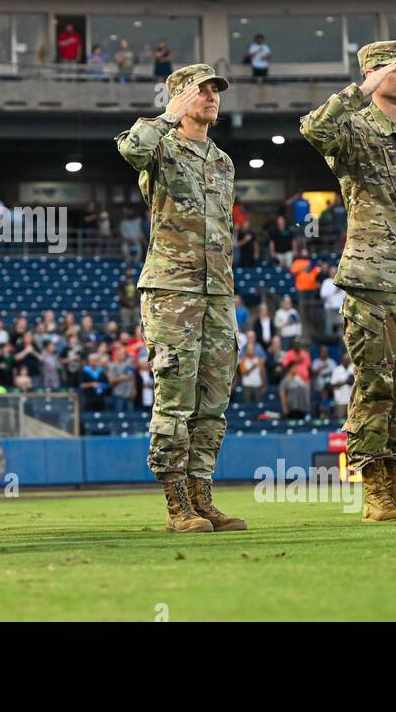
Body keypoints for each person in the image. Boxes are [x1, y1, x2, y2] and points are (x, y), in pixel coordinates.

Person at [300, 40, 396, 522]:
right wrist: (358, 90)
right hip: (373, 277)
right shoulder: (353, 128)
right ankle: (375, 492)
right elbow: (313, 128)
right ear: (372, 73)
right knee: (375, 383)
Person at [116, 63, 245, 534]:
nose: (212, 97)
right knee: (176, 397)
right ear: (178, 97)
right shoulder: (160, 146)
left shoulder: (223, 161)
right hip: (172, 290)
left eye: (216, 90)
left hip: (217, 292)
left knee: (213, 400)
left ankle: (201, 494)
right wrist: (166, 115)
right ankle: (175, 504)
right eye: (202, 90)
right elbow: (131, 150)